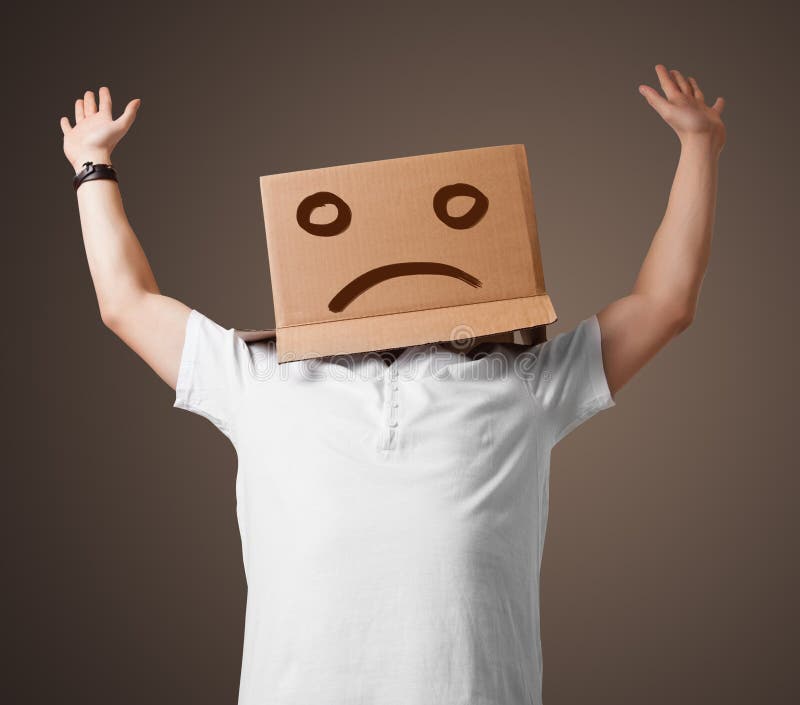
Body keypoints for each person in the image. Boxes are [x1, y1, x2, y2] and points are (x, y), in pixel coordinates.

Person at [60, 64, 725, 705]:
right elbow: (127, 303)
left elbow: (664, 304)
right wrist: (93, 166)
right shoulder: (258, 377)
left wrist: (700, 146)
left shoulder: (524, 382)